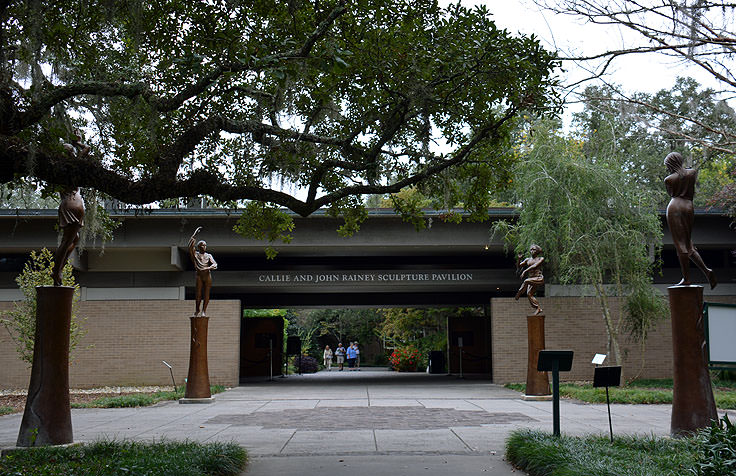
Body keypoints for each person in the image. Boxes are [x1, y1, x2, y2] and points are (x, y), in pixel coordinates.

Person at [664, 152, 717, 289]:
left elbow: (671, 194)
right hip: (689, 206)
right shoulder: (692, 173)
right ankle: (706, 271)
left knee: (680, 245)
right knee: (689, 244)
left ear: (671, 164)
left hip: (675, 207)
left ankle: (686, 278)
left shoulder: (669, 179)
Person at [52, 130, 89, 286]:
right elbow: (86, 149)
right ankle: (56, 272)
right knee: (67, 241)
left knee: (74, 239)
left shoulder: (58, 169)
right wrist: (78, 142)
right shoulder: (71, 166)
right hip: (73, 203)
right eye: (72, 152)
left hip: (72, 203)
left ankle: (58, 269)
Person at [188, 227, 218, 316]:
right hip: (199, 276)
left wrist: (207, 268)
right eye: (202, 245)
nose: (204, 247)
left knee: (206, 294)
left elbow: (215, 265)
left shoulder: (208, 255)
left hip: (207, 275)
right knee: (198, 295)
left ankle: (204, 311)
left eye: (205, 245)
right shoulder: (195, 255)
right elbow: (190, 246)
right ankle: (197, 310)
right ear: (199, 247)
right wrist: (194, 234)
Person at [514, 244, 545, 315]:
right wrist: (519, 259)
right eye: (531, 249)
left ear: (537, 251)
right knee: (529, 294)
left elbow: (535, 266)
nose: (532, 251)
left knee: (526, 281)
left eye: (533, 249)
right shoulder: (527, 260)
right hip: (531, 279)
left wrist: (525, 271)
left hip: (538, 278)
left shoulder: (541, 258)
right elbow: (518, 266)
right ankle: (538, 308)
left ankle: (519, 293)